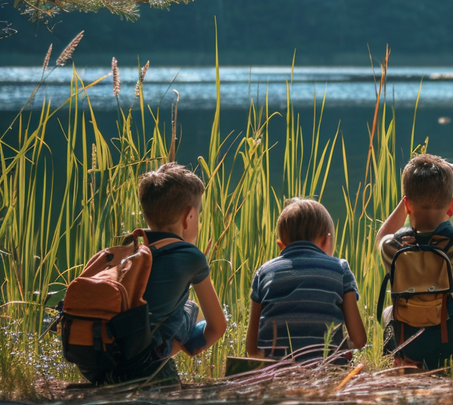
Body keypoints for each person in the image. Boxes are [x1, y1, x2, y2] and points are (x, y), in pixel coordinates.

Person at [376, 154, 453, 368]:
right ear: (452, 206)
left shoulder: (393, 249)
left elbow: (381, 236)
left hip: (410, 348)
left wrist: (410, 196)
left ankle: (400, 357)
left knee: (388, 312)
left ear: (407, 205)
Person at [137, 163, 227, 381]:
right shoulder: (191, 256)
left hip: (112, 359)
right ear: (189, 217)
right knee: (191, 308)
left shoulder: (134, 252)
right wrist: (185, 346)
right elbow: (217, 327)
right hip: (151, 370)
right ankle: (168, 349)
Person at [245, 198, 367, 360]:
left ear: (281, 245)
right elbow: (359, 340)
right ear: (326, 240)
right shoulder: (340, 268)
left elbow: (252, 349)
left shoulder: (263, 273)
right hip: (327, 372)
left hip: (274, 372)